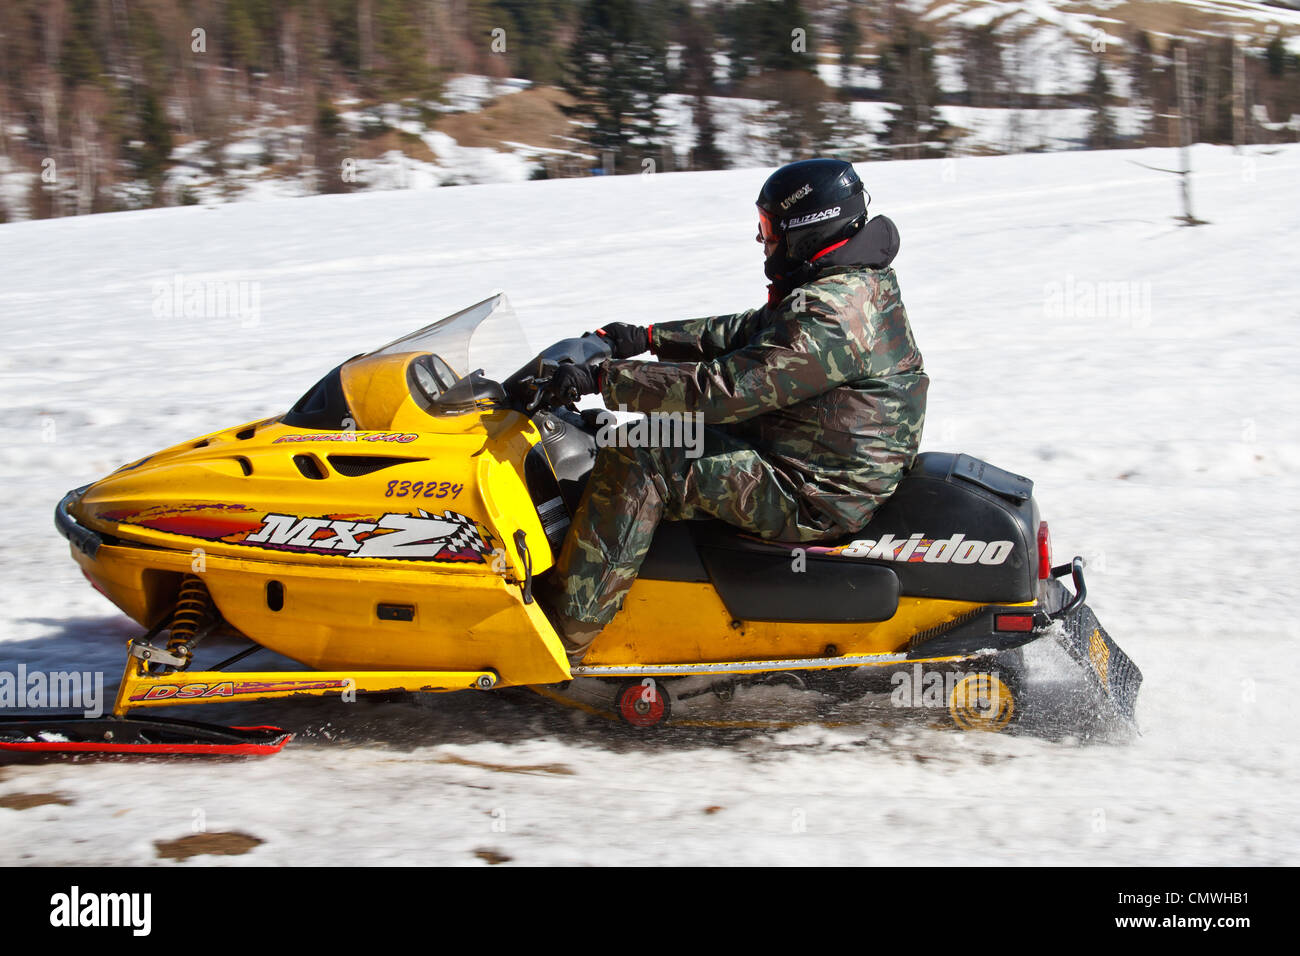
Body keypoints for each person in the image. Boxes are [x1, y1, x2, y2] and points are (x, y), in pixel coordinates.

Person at [542, 158, 928, 663]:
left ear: (807, 229)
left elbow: (725, 389)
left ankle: (563, 636)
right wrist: (646, 338)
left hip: (812, 490)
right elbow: (753, 332)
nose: (763, 242)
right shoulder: (845, 282)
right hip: (811, 455)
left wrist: (601, 380)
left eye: (769, 229)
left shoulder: (832, 313)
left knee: (642, 450)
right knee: (655, 432)